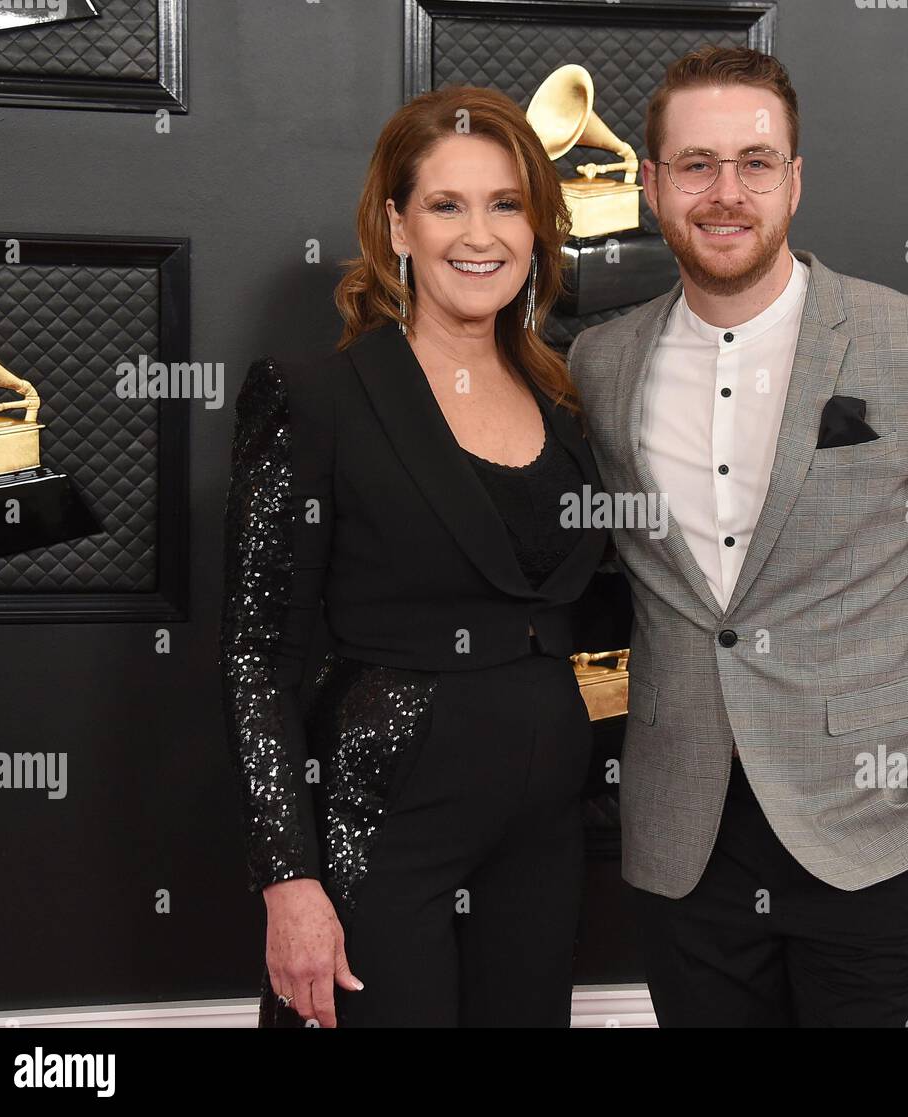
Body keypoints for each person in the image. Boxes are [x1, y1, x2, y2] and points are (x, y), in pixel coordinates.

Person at [567, 46, 908, 1027]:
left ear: (794, 180)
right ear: (653, 182)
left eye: (755, 162)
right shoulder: (599, 361)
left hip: (880, 840)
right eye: (697, 163)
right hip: (683, 843)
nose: (726, 191)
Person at [219, 84, 613, 1027]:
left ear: (538, 229)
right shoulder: (316, 398)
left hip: (547, 832)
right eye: (446, 204)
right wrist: (288, 880)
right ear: (396, 225)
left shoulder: (566, 403)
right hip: (384, 821)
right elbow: (255, 657)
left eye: (507, 203)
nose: (480, 234)